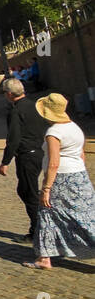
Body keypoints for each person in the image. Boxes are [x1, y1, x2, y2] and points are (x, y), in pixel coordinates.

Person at [26, 93, 95, 268]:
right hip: (79, 176)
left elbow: (54, 162)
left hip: (62, 178)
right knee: (86, 216)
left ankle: (44, 258)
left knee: (47, 212)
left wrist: (47, 188)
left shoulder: (53, 132)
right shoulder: (75, 127)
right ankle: (45, 256)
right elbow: (81, 154)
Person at [0, 77, 49, 241]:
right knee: (25, 190)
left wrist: (5, 162)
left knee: (29, 193)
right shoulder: (35, 105)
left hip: (27, 155)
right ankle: (38, 226)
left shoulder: (15, 111)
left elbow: (13, 138)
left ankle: (38, 231)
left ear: (9, 94)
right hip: (39, 151)